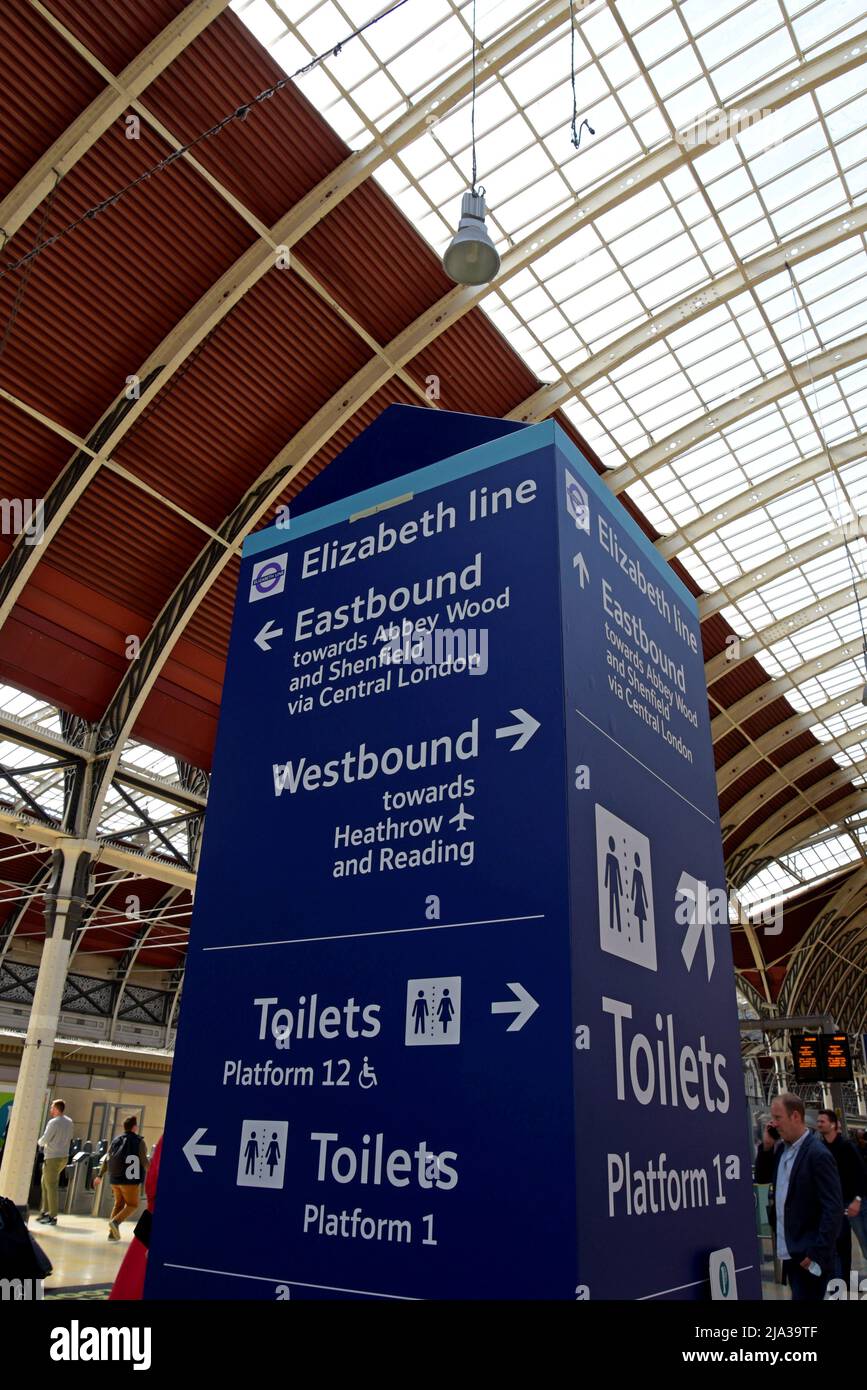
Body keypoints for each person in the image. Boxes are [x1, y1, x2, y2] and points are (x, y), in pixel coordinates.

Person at [754, 1092, 843, 1300]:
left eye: (778, 1118)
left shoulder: (817, 1155)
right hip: (791, 1253)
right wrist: (766, 1147)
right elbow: (762, 1177)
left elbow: (833, 1208)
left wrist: (816, 1253)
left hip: (810, 1256)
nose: (774, 1124)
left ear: (795, 1116)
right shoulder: (782, 1152)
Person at [816, 1109, 867, 1278]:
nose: (819, 1124)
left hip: (855, 1203)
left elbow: (862, 1174)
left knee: (865, 1241)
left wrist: (857, 1200)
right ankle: (841, 1285)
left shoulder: (847, 1147)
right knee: (840, 1246)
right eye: (818, 1121)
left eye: (822, 1121)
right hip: (835, 1206)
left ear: (832, 1124)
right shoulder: (820, 1149)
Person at [96, 1116, 148, 1241]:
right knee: (132, 1204)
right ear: (134, 1127)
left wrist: (99, 1175)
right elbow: (144, 1161)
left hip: (115, 1179)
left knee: (118, 1204)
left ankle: (112, 1234)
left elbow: (107, 1159)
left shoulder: (116, 1141)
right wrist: (155, 1173)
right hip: (130, 1180)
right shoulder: (139, 1141)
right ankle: (115, 1222)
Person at [35, 1098, 73, 1227]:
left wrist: (38, 1142)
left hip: (52, 1157)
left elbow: (45, 1139)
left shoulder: (53, 1122)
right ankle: (45, 1211)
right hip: (64, 1156)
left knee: (50, 1185)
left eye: (52, 1107)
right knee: (45, 1182)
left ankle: (52, 1215)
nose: (51, 1109)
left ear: (57, 1109)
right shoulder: (69, 1122)